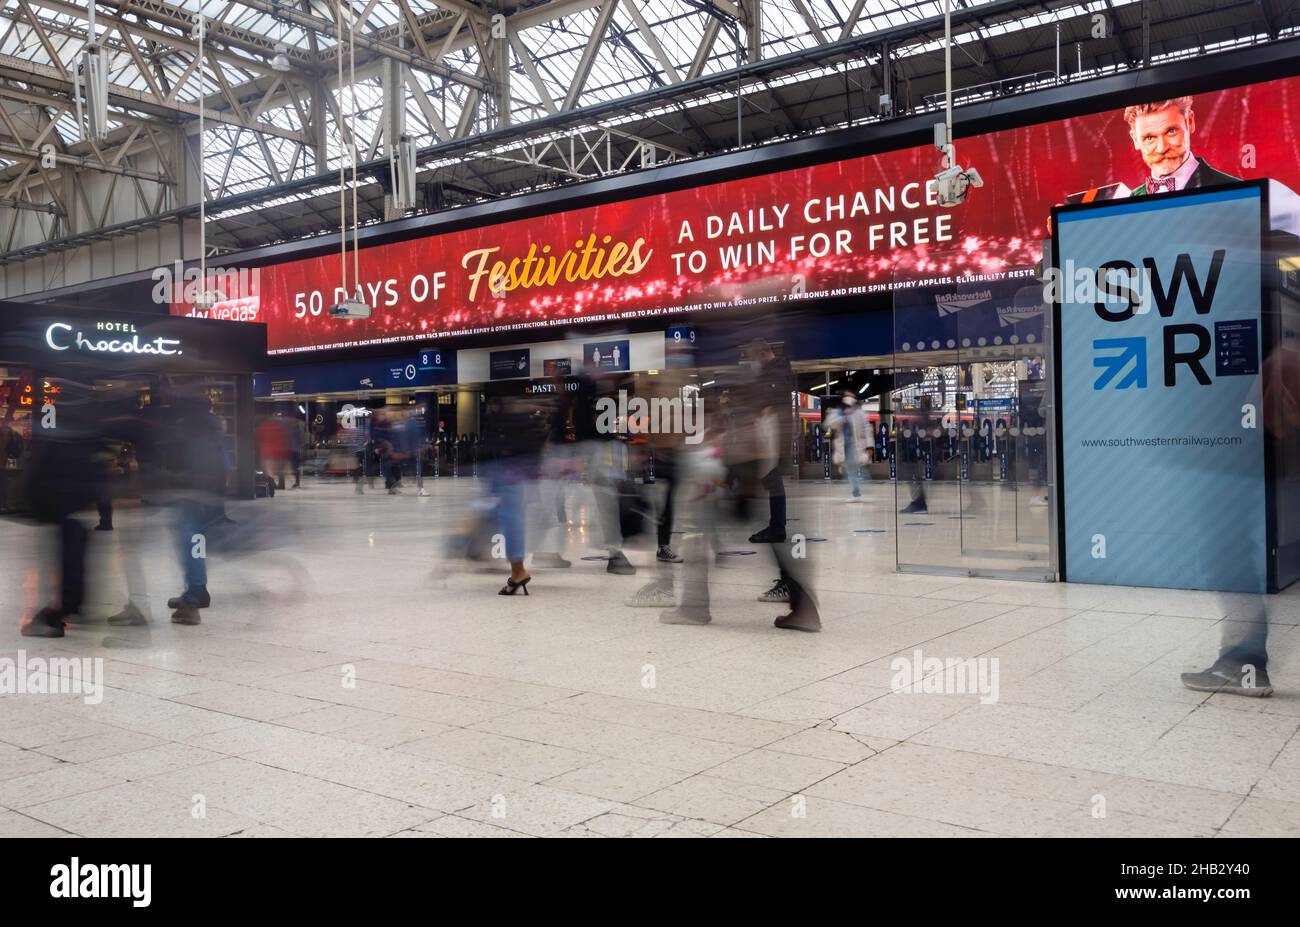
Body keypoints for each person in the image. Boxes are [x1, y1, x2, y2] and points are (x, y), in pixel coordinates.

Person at [162, 392, 229, 626]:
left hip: (191, 488)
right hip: (210, 489)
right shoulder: (213, 424)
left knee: (188, 537)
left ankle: (193, 598)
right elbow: (221, 459)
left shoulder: (188, 425)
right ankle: (198, 588)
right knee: (196, 538)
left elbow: (177, 458)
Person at [1123, 97, 1239, 196]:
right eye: (1149, 138)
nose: (1162, 148)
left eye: (1171, 131)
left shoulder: (1233, 189)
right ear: (1135, 140)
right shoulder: (1129, 199)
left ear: (1190, 122)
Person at [826, 390, 869, 502]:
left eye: (852, 396)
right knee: (850, 470)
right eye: (848, 396)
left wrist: (870, 447)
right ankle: (856, 493)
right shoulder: (838, 412)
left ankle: (857, 492)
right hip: (844, 446)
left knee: (854, 469)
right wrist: (844, 416)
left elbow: (867, 429)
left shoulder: (859, 413)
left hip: (855, 446)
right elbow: (828, 424)